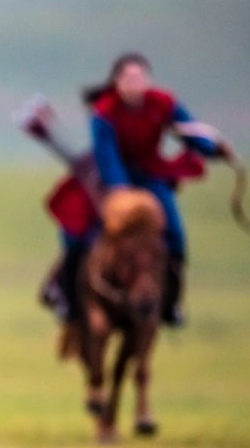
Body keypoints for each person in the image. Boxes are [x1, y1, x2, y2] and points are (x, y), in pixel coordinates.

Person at [85, 53, 231, 326]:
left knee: (174, 235)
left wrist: (214, 149)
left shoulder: (163, 103)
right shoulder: (104, 113)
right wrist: (122, 193)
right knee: (85, 232)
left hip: (151, 176)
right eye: (128, 78)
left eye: (139, 77)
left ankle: (171, 303)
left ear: (148, 81)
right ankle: (71, 296)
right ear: (117, 82)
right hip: (115, 183)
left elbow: (191, 131)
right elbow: (107, 156)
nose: (134, 83)